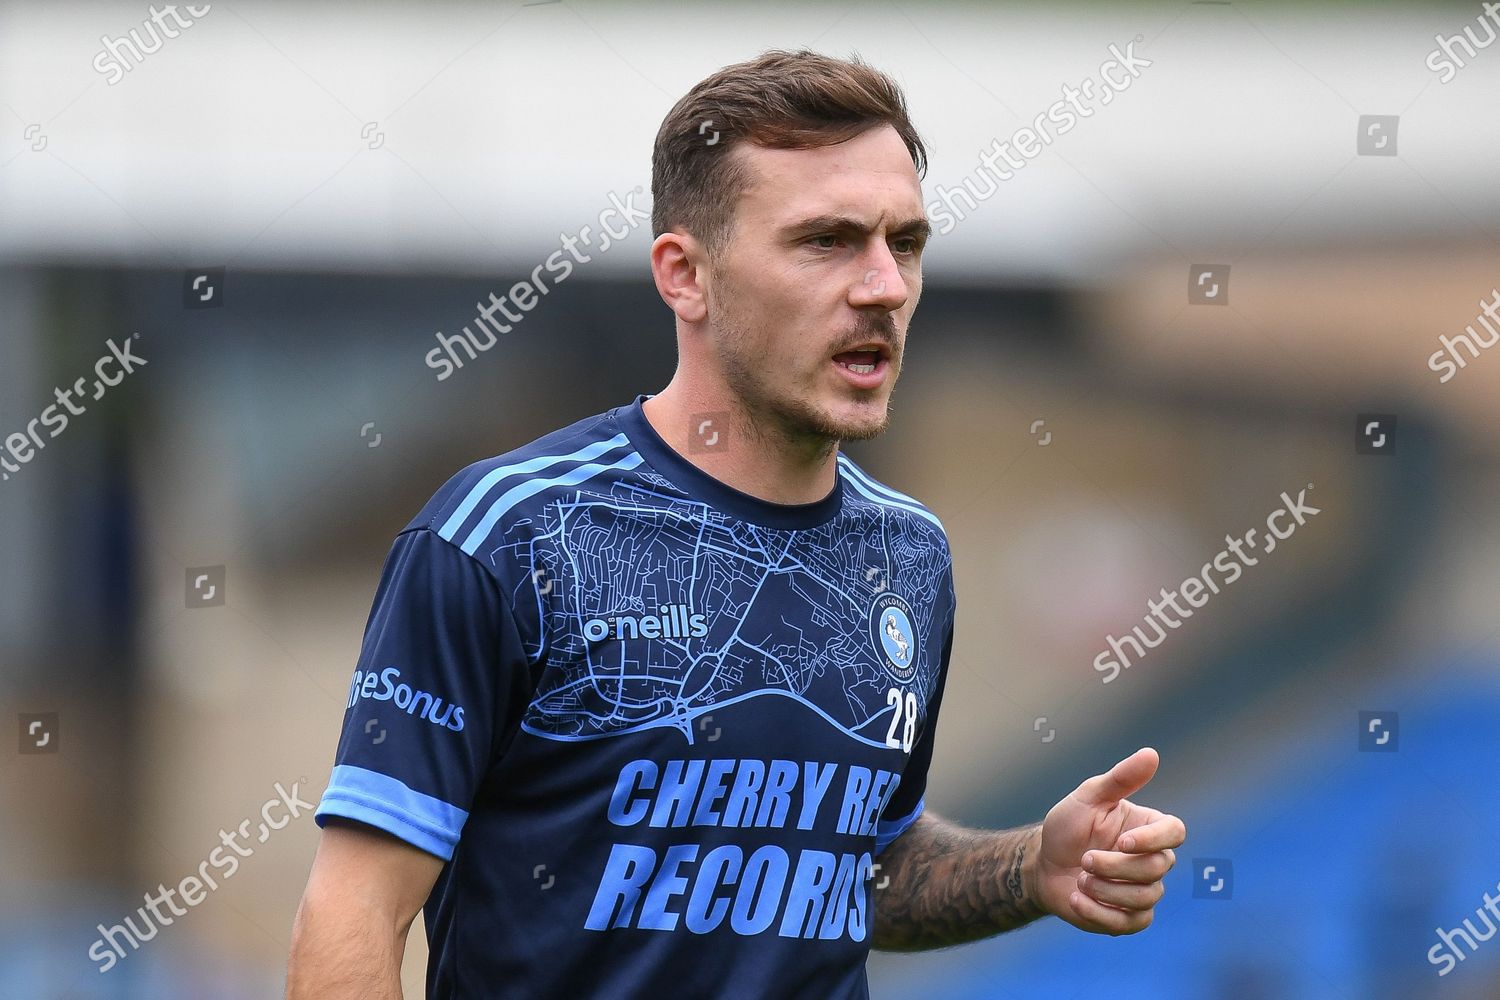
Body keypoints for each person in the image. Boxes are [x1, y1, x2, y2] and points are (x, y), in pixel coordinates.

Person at [286, 48, 1187, 999]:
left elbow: (853, 862)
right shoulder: (507, 537)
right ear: (686, 276)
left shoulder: (908, 556)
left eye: (906, 243)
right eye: (826, 241)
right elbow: (351, 916)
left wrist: (1032, 869)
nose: (884, 285)